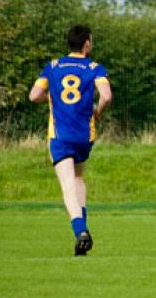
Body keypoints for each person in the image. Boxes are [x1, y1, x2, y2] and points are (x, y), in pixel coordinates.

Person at [28, 25, 112, 256]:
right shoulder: (95, 67)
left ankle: (80, 230)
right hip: (85, 136)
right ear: (86, 44)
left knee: (67, 185)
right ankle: (81, 236)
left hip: (60, 136)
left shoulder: (53, 66)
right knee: (78, 177)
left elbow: (33, 95)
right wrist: (97, 112)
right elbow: (106, 96)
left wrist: (51, 99)